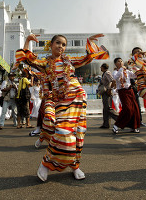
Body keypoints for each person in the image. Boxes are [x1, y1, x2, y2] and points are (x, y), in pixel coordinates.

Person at [17, 33, 108, 182]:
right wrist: (27, 40)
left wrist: (90, 42)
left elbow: (87, 58)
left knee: (79, 134)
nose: (61, 46)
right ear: (51, 45)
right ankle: (46, 163)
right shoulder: (45, 63)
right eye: (58, 43)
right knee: (62, 132)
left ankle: (75, 165)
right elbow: (27, 58)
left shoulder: (70, 60)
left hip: (78, 98)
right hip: (60, 101)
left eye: (64, 44)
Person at [111, 57, 141, 134]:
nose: (120, 62)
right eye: (118, 61)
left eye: (121, 61)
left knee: (135, 108)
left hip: (130, 90)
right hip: (122, 91)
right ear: (115, 64)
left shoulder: (126, 71)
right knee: (127, 108)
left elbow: (134, 75)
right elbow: (116, 78)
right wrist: (121, 69)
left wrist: (136, 69)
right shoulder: (115, 72)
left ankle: (133, 126)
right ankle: (116, 125)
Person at [98, 63, 118, 129]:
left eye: (101, 67)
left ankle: (119, 119)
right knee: (105, 108)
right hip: (105, 92)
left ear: (103, 67)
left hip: (107, 92)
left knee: (108, 108)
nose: (100, 68)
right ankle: (106, 124)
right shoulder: (104, 73)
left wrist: (110, 89)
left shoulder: (107, 73)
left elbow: (113, 81)